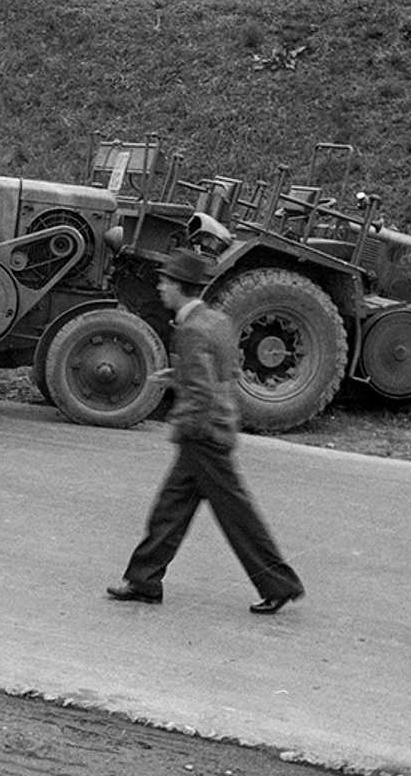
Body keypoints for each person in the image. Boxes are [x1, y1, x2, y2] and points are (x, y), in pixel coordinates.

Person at [106, 248, 306, 615]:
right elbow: (219, 373)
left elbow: (201, 391)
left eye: (166, 281)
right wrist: (177, 377)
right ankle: (143, 580)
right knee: (171, 510)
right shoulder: (216, 321)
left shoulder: (192, 330)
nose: (161, 287)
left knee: (236, 514)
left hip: (204, 434)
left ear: (181, 287)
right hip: (216, 426)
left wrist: (184, 428)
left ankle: (280, 584)